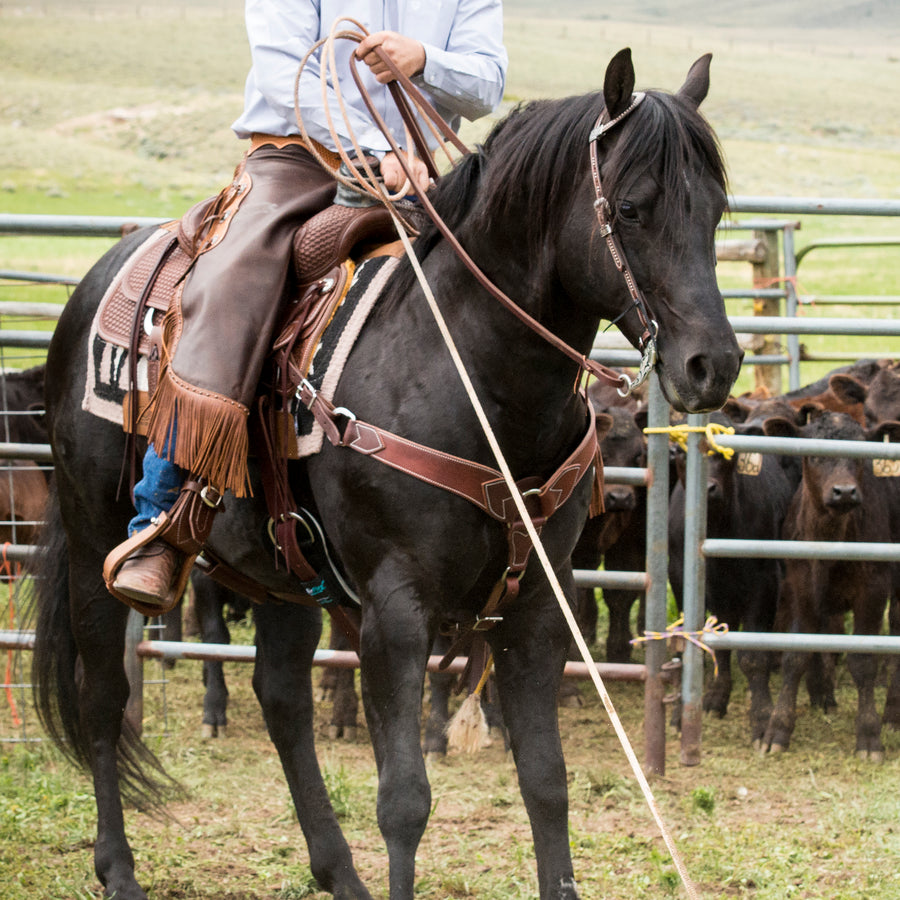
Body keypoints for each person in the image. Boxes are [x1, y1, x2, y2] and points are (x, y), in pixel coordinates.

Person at [109, 0, 508, 613]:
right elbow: (283, 72)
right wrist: (374, 150)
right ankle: (166, 516)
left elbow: (487, 82)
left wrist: (425, 59)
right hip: (297, 159)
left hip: (425, 177)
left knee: (511, 282)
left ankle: (522, 508)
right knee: (231, 284)